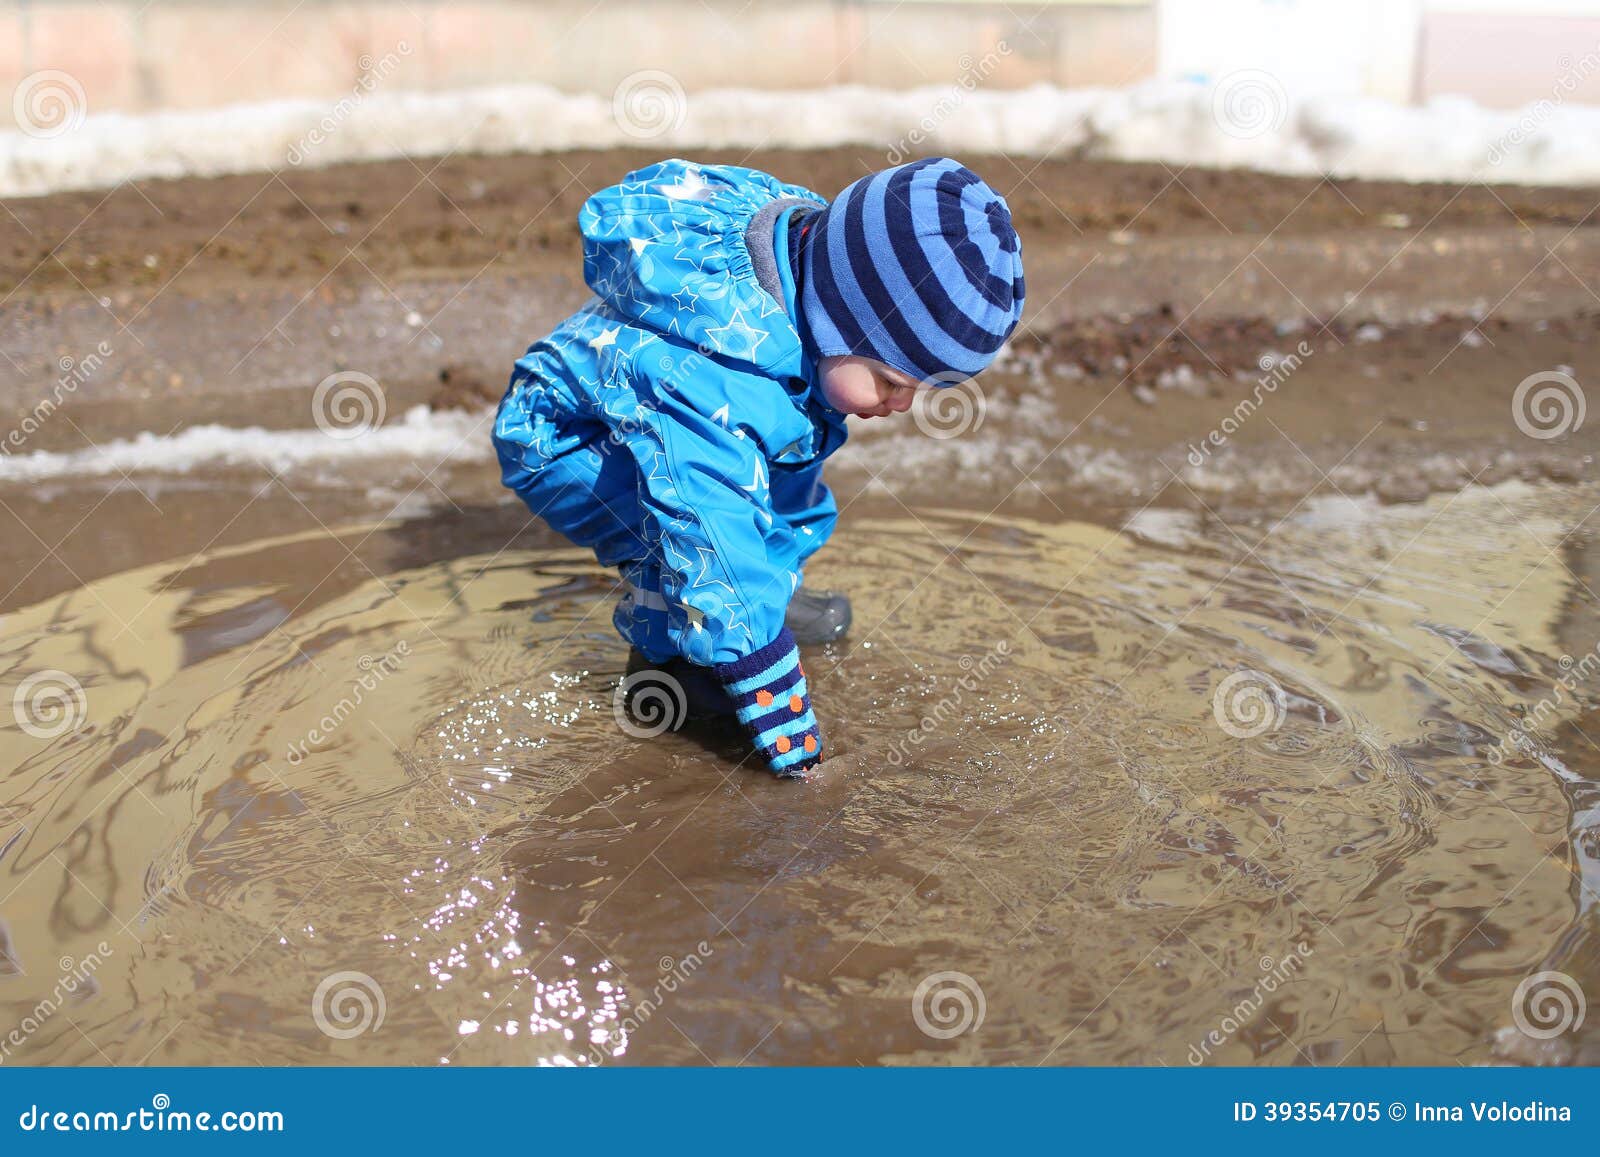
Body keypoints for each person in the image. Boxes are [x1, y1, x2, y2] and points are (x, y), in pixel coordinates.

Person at [492, 155, 1025, 777]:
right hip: (569, 439)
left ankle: (767, 602)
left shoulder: (804, 260)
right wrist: (794, 742)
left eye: (921, 390)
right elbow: (711, 532)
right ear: (837, 315)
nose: (902, 404)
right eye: (891, 381)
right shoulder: (721, 381)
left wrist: (766, 586)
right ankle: (667, 671)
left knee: (787, 463)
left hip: (677, 412)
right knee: (681, 538)